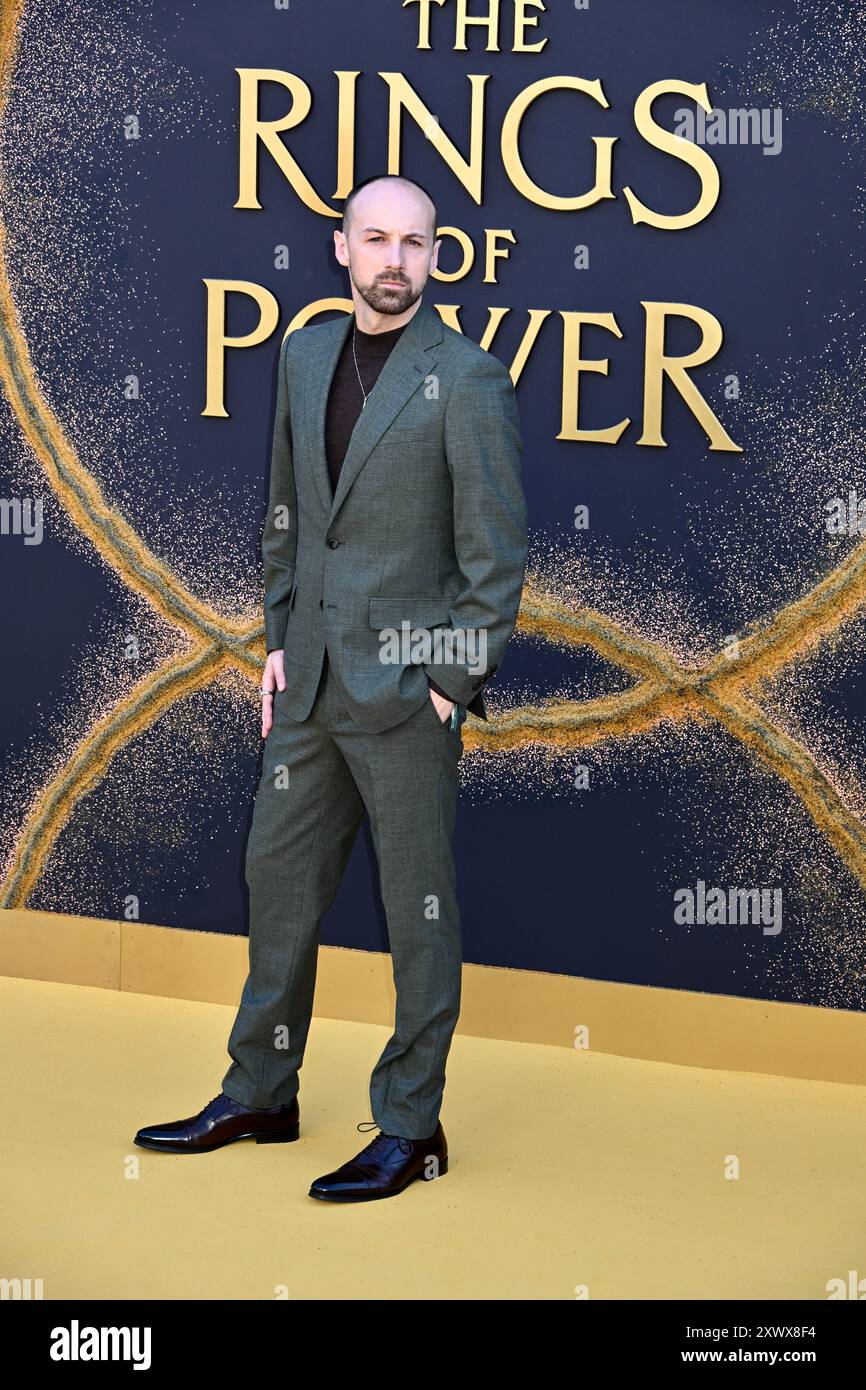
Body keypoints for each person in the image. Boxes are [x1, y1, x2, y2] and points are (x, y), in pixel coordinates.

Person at [134, 173, 528, 1202]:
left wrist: (447, 684)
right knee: (277, 891)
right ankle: (261, 1090)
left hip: (406, 697)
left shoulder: (469, 378)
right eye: (376, 239)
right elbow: (285, 514)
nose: (395, 260)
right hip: (304, 682)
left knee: (418, 915)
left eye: (416, 244)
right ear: (339, 248)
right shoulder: (304, 354)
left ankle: (410, 1125)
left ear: (437, 259)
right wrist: (275, 638)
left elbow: (496, 562)